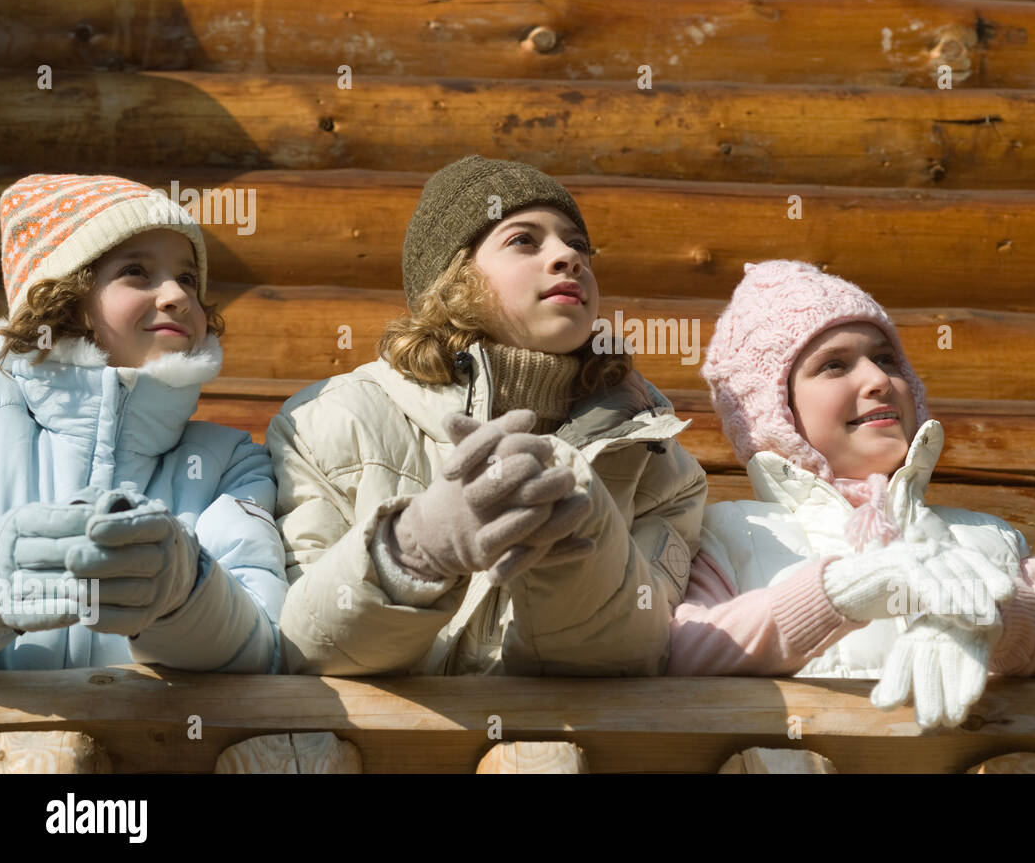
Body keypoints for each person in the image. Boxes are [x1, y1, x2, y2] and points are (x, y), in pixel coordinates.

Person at [268, 155, 707, 676]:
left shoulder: (655, 456)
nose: (568, 257)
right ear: (454, 279)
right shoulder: (331, 421)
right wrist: (414, 550)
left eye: (578, 244)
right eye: (525, 240)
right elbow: (305, 647)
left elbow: (635, 650)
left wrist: (578, 545)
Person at [669, 260, 1035, 727]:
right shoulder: (729, 534)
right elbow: (680, 652)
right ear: (775, 412)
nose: (877, 380)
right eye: (834, 365)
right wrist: (838, 593)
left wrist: (1004, 620)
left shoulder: (989, 539)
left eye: (886, 359)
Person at [0, 173, 287, 672]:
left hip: (161, 745)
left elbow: (263, 648)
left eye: (188, 279)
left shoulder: (229, 463)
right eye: (137, 271)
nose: (176, 294)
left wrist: (183, 588)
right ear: (64, 300)